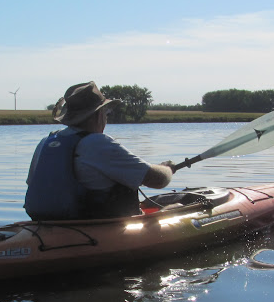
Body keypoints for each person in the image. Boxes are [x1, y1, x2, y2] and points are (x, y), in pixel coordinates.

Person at [25, 81, 174, 220]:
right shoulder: (97, 143)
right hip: (94, 227)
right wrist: (167, 168)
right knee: (177, 207)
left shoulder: (46, 142)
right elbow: (158, 180)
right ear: (98, 115)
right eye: (106, 113)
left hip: (46, 224)